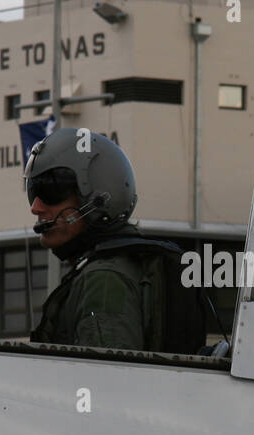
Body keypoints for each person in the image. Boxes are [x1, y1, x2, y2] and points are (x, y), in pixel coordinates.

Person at [24, 128, 205, 352]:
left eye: (50, 192)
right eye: (33, 192)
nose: (36, 208)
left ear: (98, 199)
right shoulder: (113, 268)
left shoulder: (105, 280)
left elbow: (106, 380)